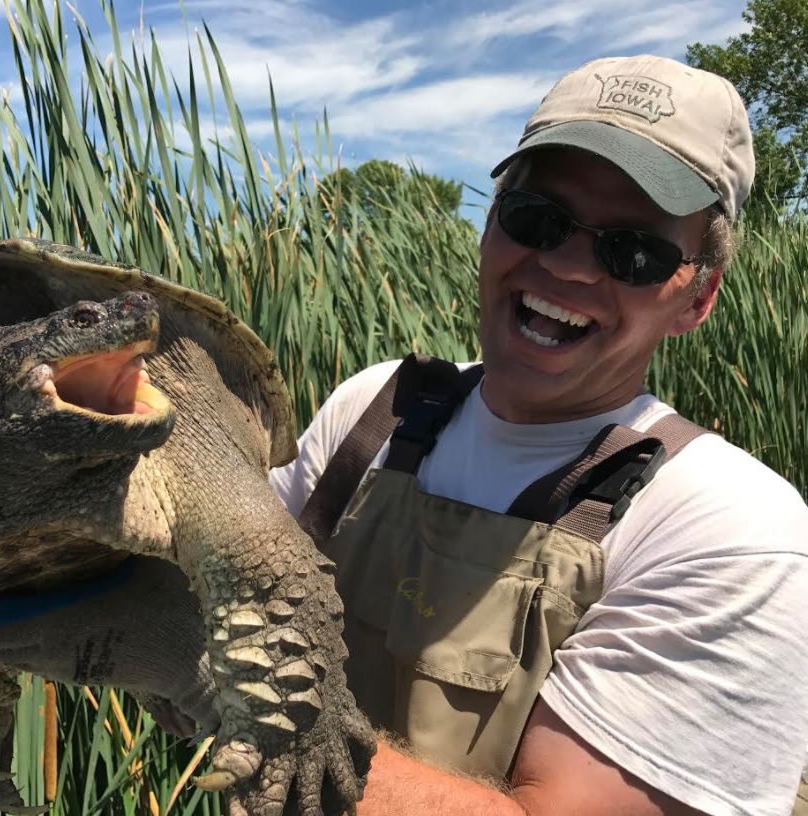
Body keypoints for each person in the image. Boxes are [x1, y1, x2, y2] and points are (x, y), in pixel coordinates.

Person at [268, 54, 808, 816]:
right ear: (489, 224)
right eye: (537, 217)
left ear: (698, 297)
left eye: (634, 251)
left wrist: (245, 708)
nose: (569, 266)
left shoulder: (729, 529)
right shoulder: (377, 411)